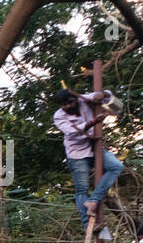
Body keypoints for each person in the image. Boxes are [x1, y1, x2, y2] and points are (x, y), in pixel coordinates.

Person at [53, 87, 124, 227]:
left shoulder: (83, 100)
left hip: (95, 147)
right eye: (64, 104)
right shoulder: (58, 116)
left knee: (116, 166)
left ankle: (94, 200)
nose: (68, 106)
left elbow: (114, 104)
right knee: (82, 189)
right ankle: (87, 224)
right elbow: (71, 131)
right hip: (77, 153)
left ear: (76, 99)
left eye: (70, 102)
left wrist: (103, 94)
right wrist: (93, 122)